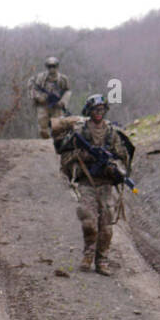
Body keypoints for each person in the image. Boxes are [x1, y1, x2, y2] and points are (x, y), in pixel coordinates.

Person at [55, 93, 135, 276]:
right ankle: (88, 253)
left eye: (102, 109)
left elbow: (124, 157)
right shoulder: (80, 131)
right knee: (89, 222)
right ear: (89, 111)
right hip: (87, 182)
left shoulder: (112, 133)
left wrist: (114, 168)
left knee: (106, 227)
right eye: (95, 110)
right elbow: (65, 156)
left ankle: (102, 260)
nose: (99, 113)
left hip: (106, 185)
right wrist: (84, 157)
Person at [29, 56, 72, 139]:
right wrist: (39, 97)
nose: (52, 69)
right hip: (44, 104)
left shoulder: (63, 79)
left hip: (56, 105)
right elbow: (34, 88)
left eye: (54, 66)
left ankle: (56, 142)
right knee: (42, 127)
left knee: (57, 127)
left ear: (57, 66)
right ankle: (45, 142)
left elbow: (68, 91)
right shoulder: (41, 78)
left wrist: (63, 101)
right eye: (49, 66)